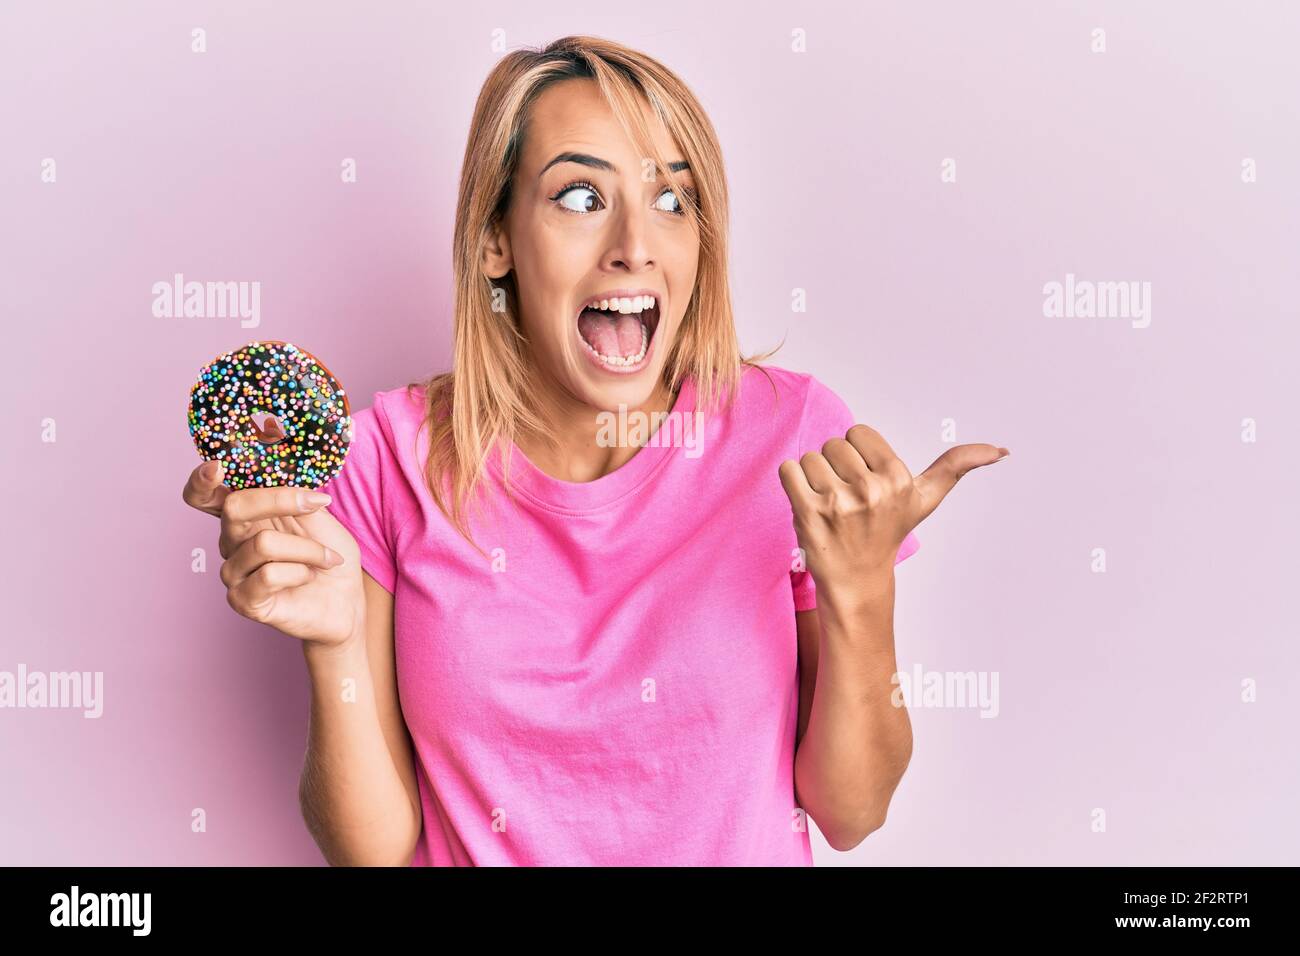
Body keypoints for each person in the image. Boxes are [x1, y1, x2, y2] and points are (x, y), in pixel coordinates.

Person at [181, 35, 1008, 866]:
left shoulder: (789, 438)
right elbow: (374, 852)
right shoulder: (388, 459)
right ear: (495, 239)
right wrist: (331, 645)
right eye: (581, 197)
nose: (634, 245)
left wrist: (861, 592)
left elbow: (852, 813)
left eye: (672, 199)